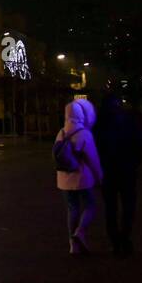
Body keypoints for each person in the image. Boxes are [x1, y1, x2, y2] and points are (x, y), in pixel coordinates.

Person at [95, 93, 142, 256]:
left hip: (107, 171)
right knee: (128, 206)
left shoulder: (99, 123)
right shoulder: (130, 121)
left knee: (111, 208)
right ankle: (125, 237)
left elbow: (95, 148)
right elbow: (139, 144)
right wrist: (135, 163)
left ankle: (115, 241)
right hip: (127, 169)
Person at [54, 99, 103, 255]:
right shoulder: (84, 134)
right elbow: (93, 159)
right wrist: (99, 175)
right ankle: (80, 232)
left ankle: (72, 245)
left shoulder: (60, 133)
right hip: (82, 178)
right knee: (90, 206)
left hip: (63, 179)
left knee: (72, 208)